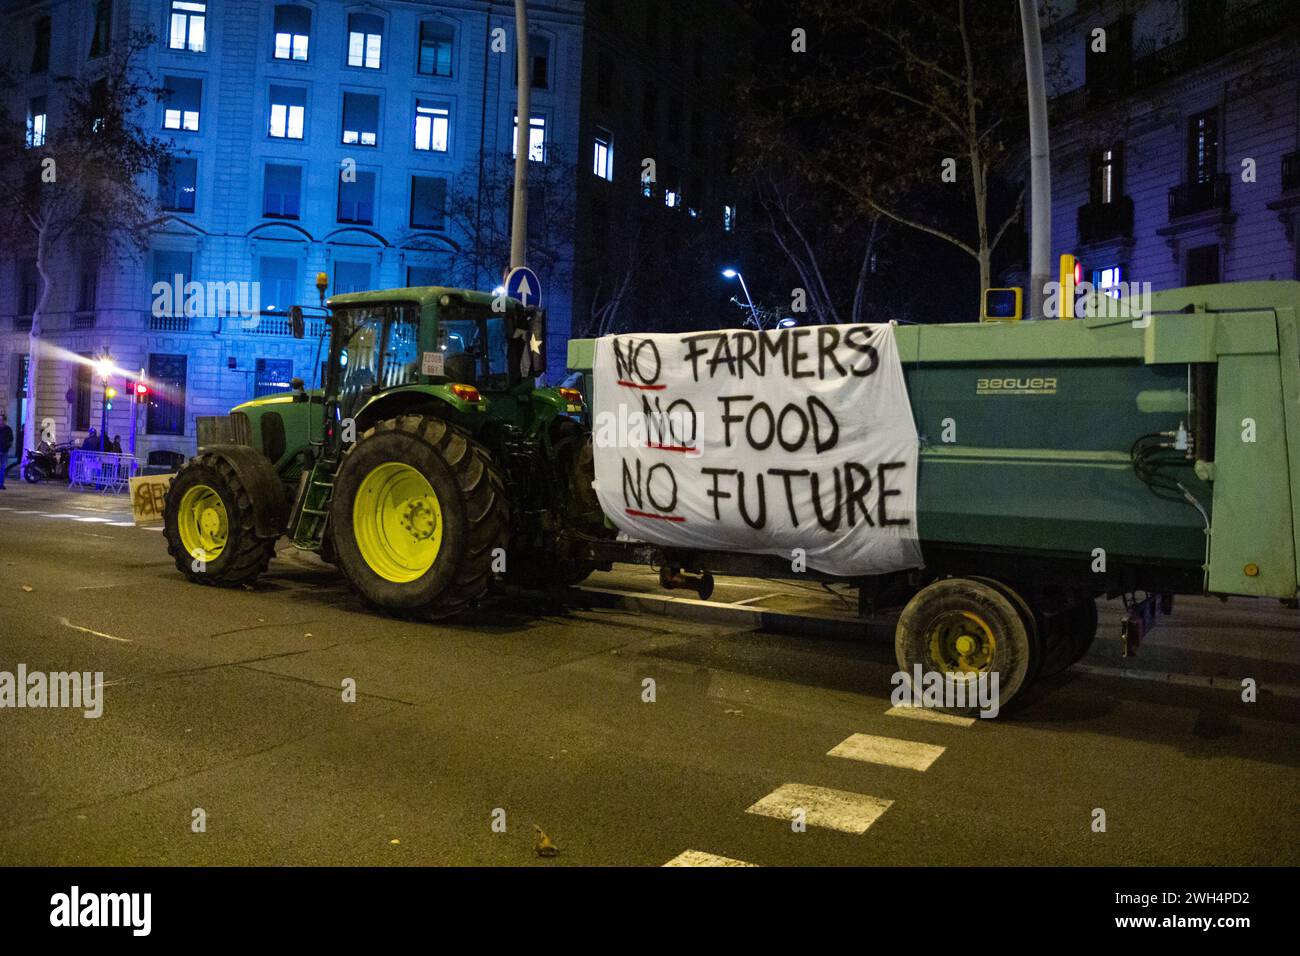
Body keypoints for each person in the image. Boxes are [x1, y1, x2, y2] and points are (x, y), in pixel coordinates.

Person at [0, 412, 12, 490]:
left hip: (4, 451)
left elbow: (11, 439)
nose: (0, 421)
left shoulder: (8, 429)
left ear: (4, 421)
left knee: (3, 468)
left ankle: (1, 484)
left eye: (1, 420)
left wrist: (7, 447)